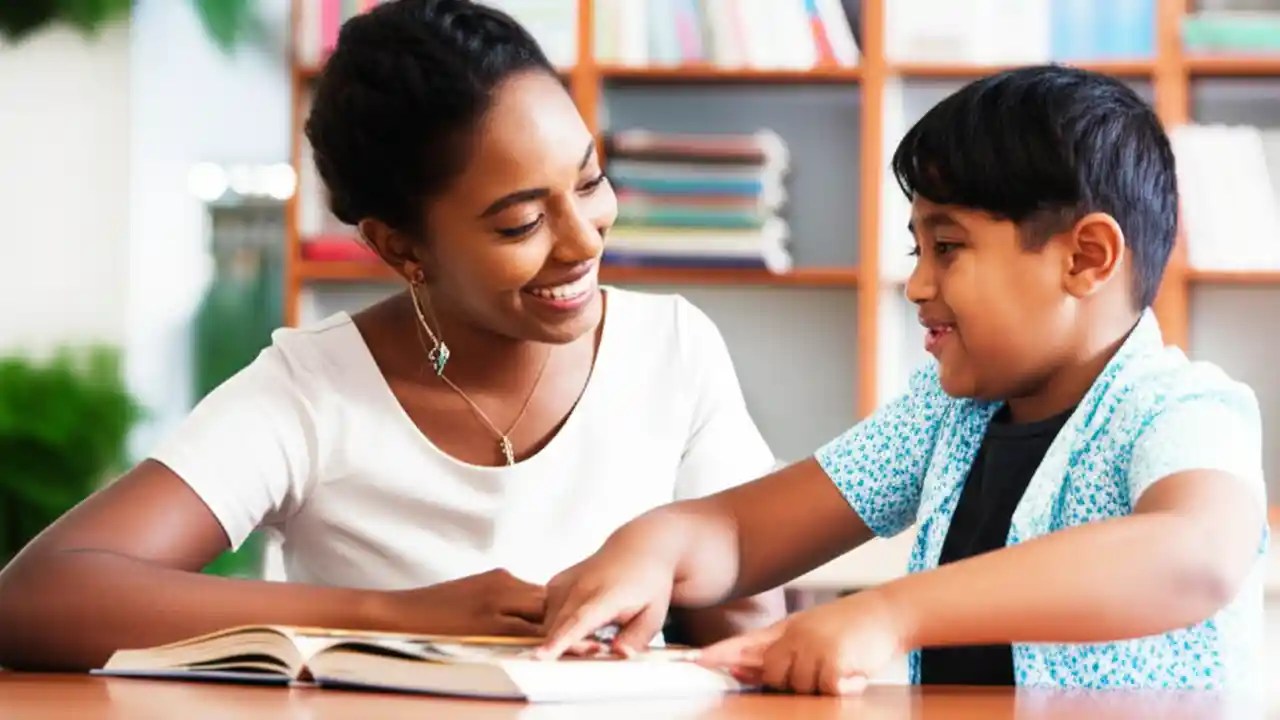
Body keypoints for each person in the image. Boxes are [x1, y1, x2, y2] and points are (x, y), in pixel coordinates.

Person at [0, 0, 784, 672]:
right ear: (401, 248)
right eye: (521, 222)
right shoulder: (312, 390)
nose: (584, 241)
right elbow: (36, 598)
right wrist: (396, 615)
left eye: (588, 180)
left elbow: (748, 635)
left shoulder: (671, 347)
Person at [536, 66, 1269, 695]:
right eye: (915, 248)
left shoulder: (1184, 408)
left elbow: (1193, 556)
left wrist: (890, 613)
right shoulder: (946, 416)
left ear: (1086, 257)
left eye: (947, 246)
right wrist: (653, 547)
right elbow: (741, 532)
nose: (916, 285)